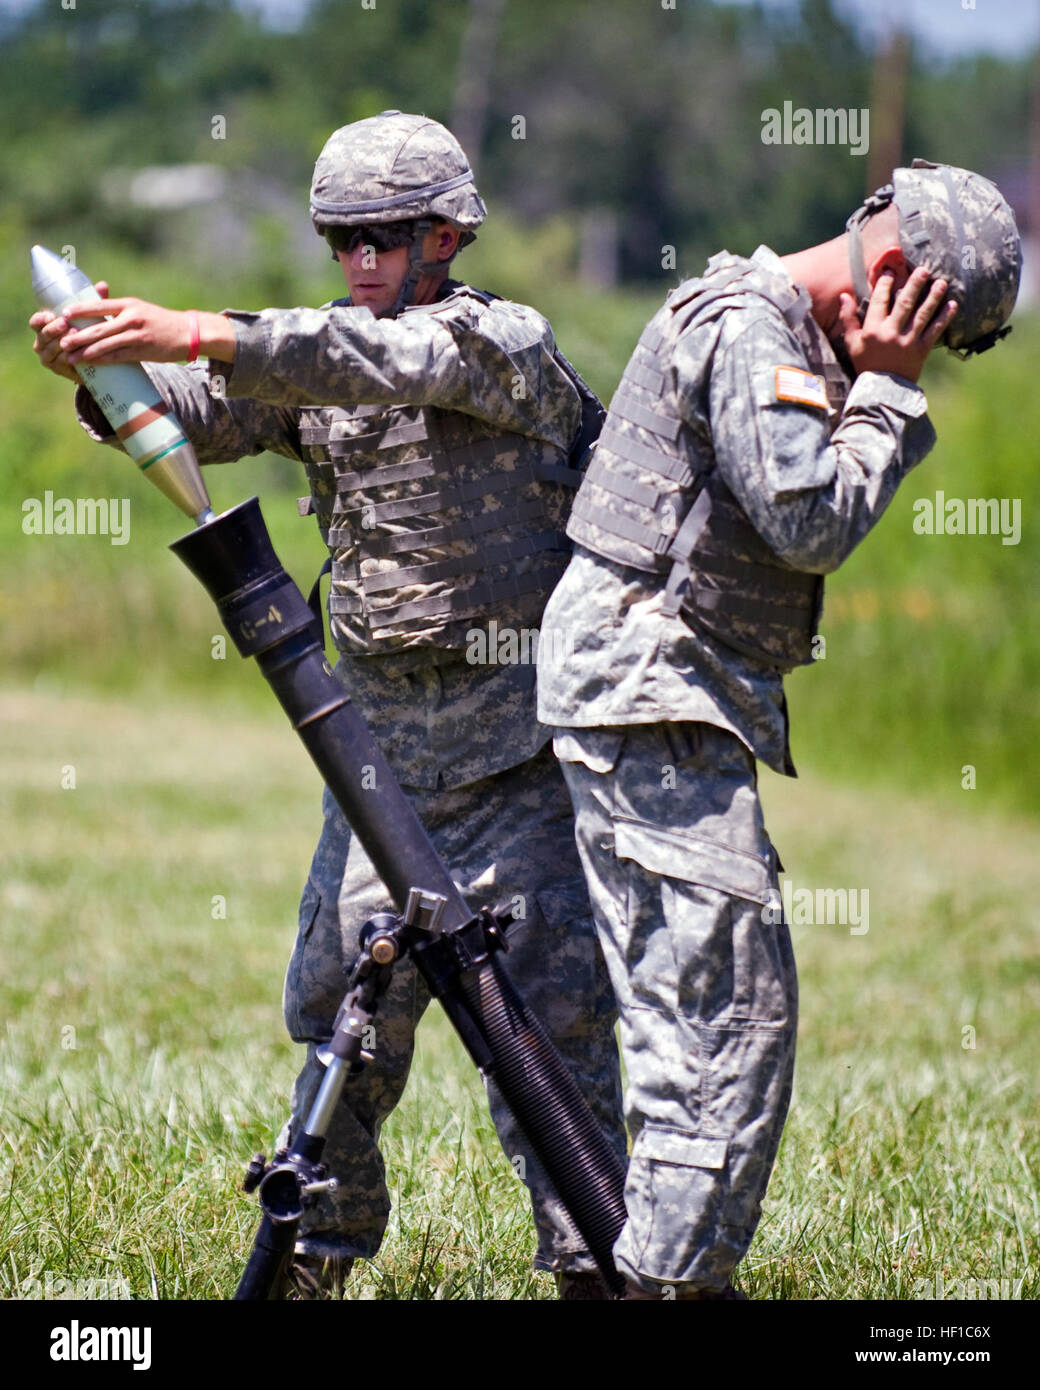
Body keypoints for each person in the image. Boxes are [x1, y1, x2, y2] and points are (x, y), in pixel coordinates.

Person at [30, 110, 626, 1299]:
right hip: (381, 762)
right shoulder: (319, 359)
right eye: (339, 236)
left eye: (384, 236)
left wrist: (197, 326)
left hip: (523, 761)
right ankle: (316, 1252)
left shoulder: (499, 343)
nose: (358, 260)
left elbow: (383, 362)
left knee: (544, 1033)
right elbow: (211, 414)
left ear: (447, 235)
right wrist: (109, 373)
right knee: (342, 1019)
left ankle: (596, 1265)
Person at [535, 160, 1021, 1299]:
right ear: (894, 278)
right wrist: (890, 392)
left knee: (685, 1012)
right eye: (930, 337)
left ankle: (656, 1268)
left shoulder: (770, 325)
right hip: (648, 690)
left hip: (655, 695)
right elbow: (805, 517)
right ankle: (669, 1283)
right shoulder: (752, 329)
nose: (911, 362)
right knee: (723, 1021)